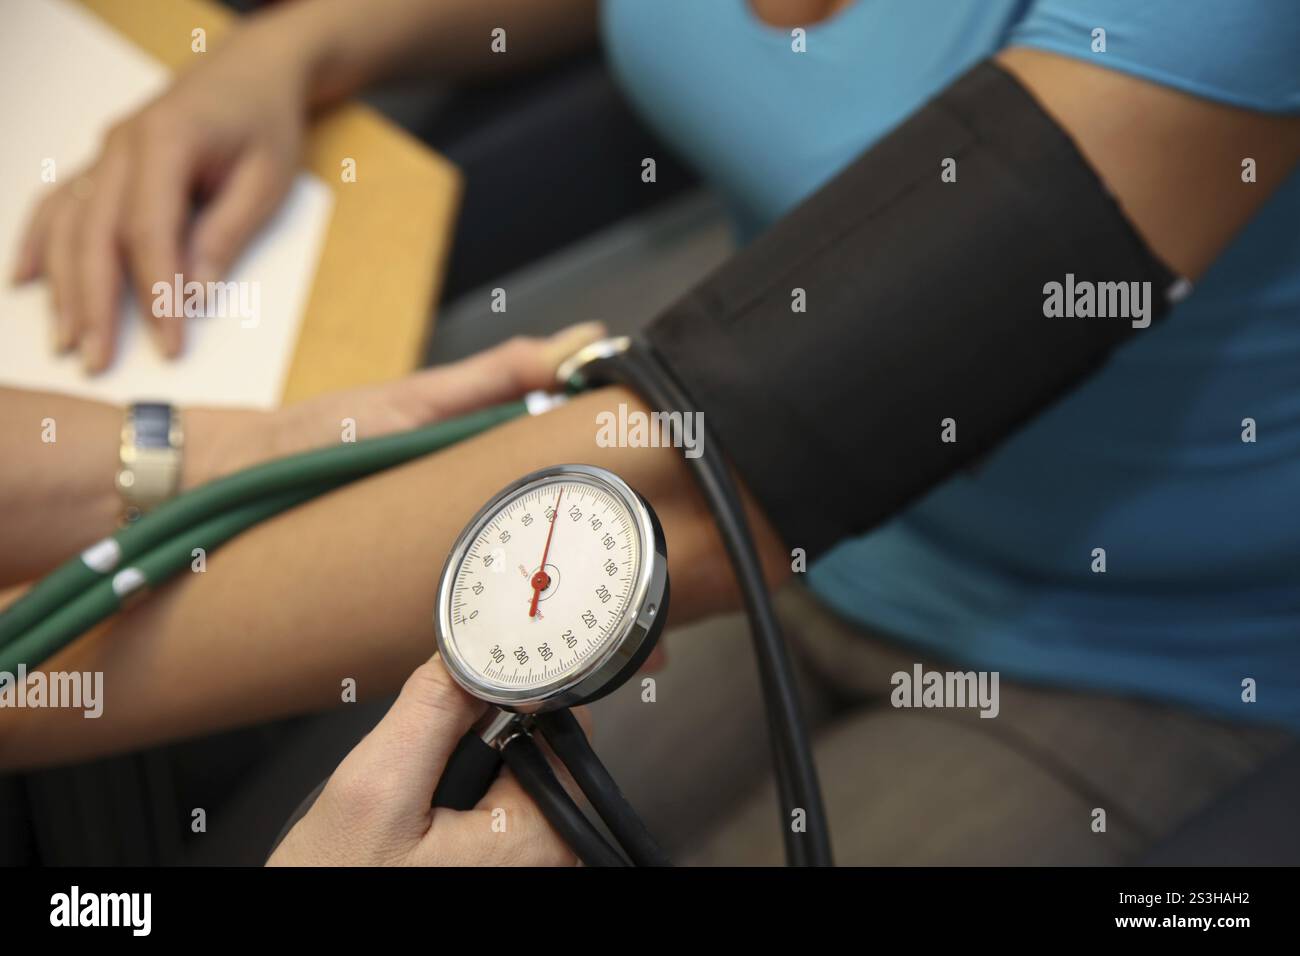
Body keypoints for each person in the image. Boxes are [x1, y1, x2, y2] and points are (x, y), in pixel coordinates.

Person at [6, 0, 1299, 865]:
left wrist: (33, 675)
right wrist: (306, 40)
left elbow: (721, 470)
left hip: (1123, 650)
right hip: (748, 506)